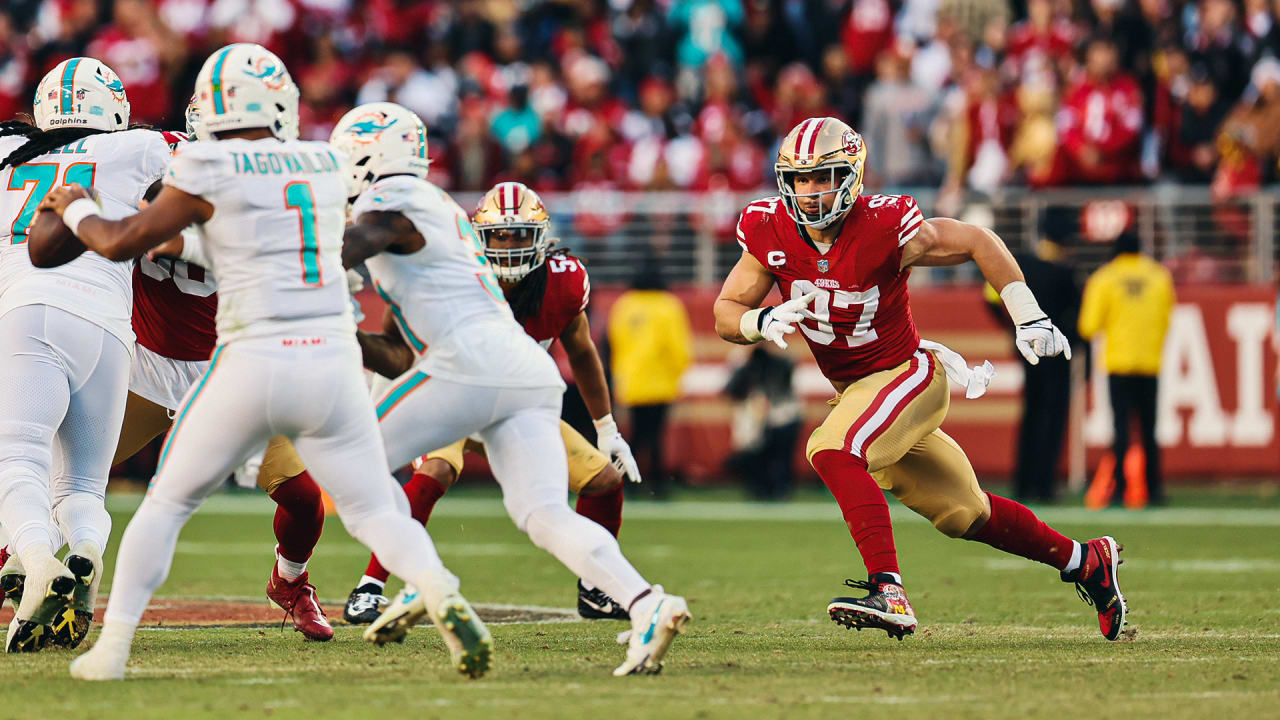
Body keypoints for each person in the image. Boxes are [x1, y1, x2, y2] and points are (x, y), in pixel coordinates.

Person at [35, 44, 484, 682]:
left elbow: (127, 236)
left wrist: (82, 208)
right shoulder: (318, 164)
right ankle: (440, 592)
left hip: (232, 361)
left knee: (220, 501)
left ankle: (166, 624)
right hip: (161, 362)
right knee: (370, 502)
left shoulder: (194, 164)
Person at [714, 116, 1127, 642]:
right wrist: (760, 320)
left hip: (906, 375)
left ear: (852, 176)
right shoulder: (769, 230)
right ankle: (1086, 561)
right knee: (965, 513)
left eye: (824, 177)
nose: (810, 192)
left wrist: (1029, 313)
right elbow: (726, 309)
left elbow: (979, 239)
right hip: (859, 394)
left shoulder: (886, 225)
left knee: (832, 449)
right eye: (800, 179)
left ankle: (888, 589)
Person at [328, 102, 689, 676]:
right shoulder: (444, 215)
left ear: (366, 159)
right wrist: (342, 329)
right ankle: (648, 604)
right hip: (521, 372)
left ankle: (425, 582)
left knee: (344, 468)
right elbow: (396, 353)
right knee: (542, 512)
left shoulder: (389, 201)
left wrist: (302, 270)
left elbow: (367, 236)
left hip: (461, 366)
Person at [342, 180, 642, 625]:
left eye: (520, 234)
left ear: (542, 237)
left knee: (602, 480)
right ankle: (370, 586)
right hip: (449, 389)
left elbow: (581, 350)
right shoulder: (453, 266)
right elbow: (395, 334)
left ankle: (598, 589)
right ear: (479, 238)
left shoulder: (562, 282)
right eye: (500, 235)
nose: (510, 244)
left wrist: (607, 430)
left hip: (513, 401)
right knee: (437, 470)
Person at [103, 103, 332, 642]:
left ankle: (290, 582)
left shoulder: (269, 193)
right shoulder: (153, 159)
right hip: (144, 364)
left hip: (231, 369)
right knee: (58, 473)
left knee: (303, 499)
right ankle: (13, 559)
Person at [0, 58, 167, 653]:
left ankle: (39, 563)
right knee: (84, 488)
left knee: (17, 459)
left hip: (33, 308)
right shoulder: (141, 148)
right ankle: (86, 560)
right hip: (110, 326)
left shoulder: (9, 154)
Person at [984, 210, 1080, 503]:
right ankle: (1045, 486)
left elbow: (989, 298)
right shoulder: (1066, 273)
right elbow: (1078, 320)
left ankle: (1023, 484)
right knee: (1052, 420)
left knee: (1030, 417)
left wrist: (1013, 329)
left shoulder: (1021, 264)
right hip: (1056, 355)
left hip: (1029, 352)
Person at [1079, 231, 1175, 507]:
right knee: (1149, 429)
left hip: (1118, 363)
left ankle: (1121, 490)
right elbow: (1167, 317)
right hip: (1149, 363)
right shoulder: (1159, 277)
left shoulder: (1105, 278)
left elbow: (1089, 325)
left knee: (1120, 429)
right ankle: (1154, 490)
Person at [607, 261, 693, 498]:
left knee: (635, 434)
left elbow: (614, 343)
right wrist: (679, 373)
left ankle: (628, 482)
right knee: (655, 435)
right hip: (660, 383)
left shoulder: (624, 305)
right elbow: (678, 347)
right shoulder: (668, 305)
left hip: (631, 382)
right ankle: (658, 484)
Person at [724, 343, 801, 501]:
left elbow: (786, 378)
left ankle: (777, 490)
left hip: (781, 416)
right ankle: (760, 489)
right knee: (756, 455)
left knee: (779, 460)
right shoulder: (741, 358)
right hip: (758, 419)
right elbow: (733, 389)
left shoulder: (780, 358)